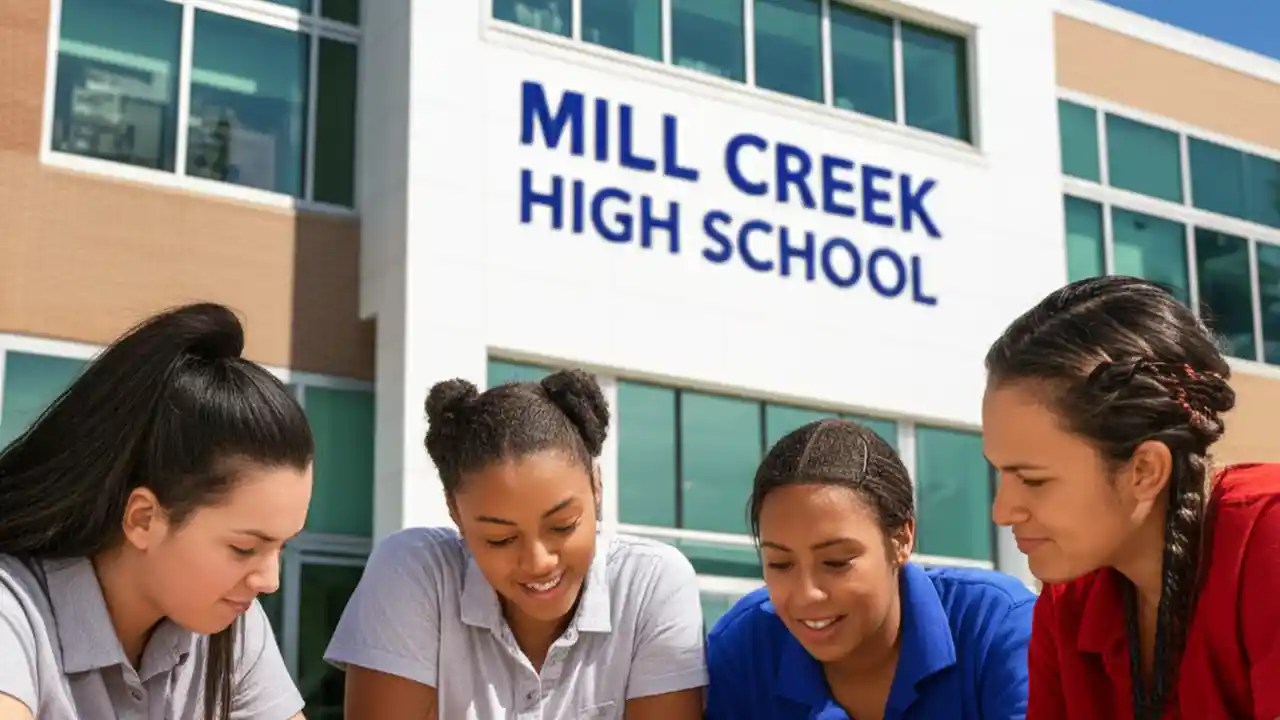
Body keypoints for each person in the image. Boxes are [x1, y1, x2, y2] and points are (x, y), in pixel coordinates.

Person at [324, 370, 707, 719]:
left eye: (563, 526)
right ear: (455, 512)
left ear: (596, 486)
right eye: (501, 539)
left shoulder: (651, 587)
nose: (538, 561)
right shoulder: (412, 574)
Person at [982, 275, 1280, 719]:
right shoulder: (1068, 601)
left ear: (1145, 470)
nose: (1002, 512)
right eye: (1000, 474)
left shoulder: (1266, 537)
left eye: (1034, 480)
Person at [0, 303, 313, 720]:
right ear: (143, 519)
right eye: (244, 548)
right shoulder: (16, 611)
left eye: (282, 548)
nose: (269, 581)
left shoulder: (229, 630)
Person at [705, 418, 1034, 719]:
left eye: (836, 562)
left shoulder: (996, 626)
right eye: (780, 564)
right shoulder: (743, 648)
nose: (808, 593)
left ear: (902, 539)